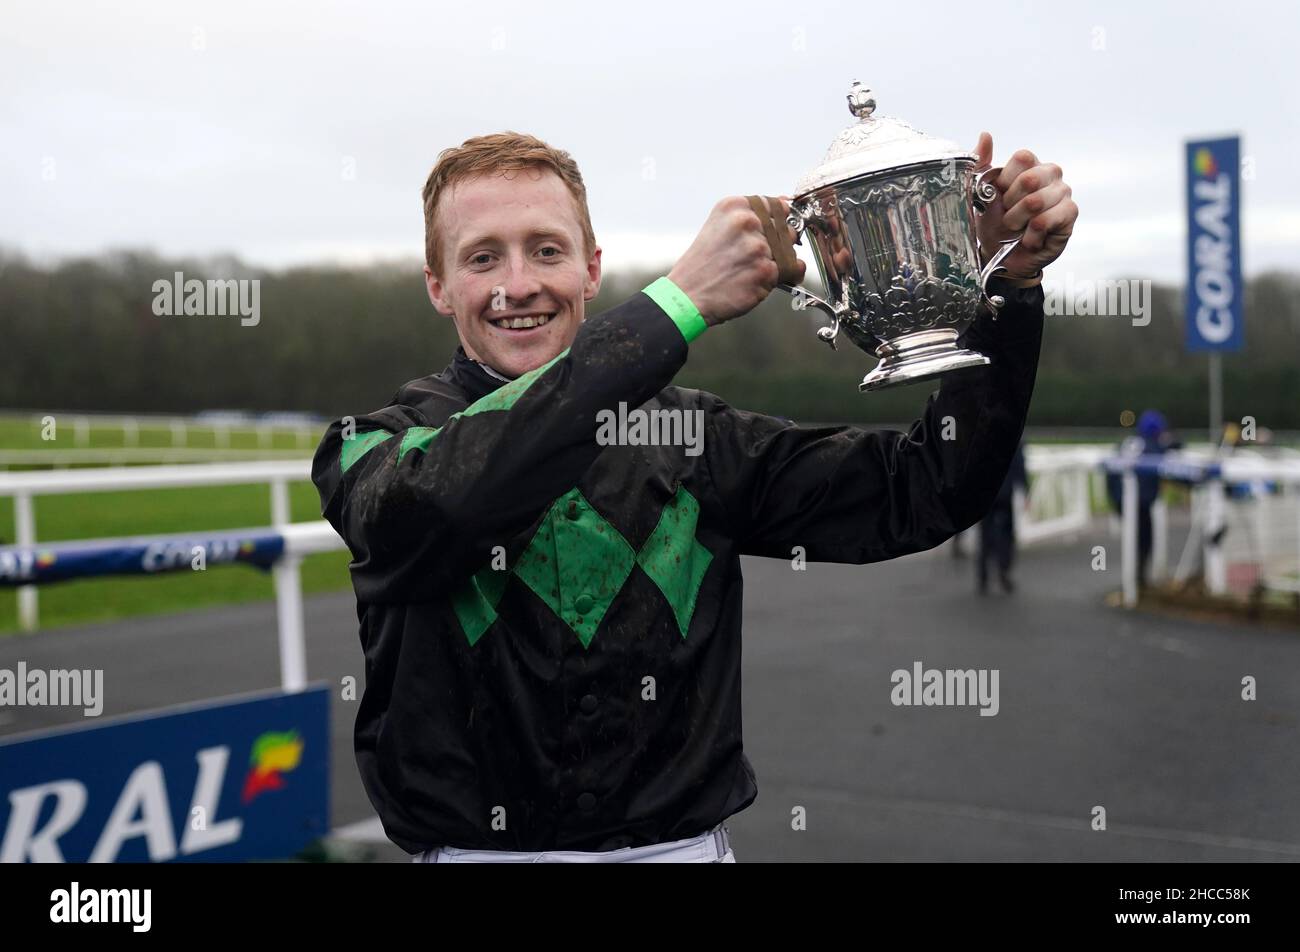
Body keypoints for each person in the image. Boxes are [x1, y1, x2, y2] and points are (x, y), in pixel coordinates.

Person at [311, 130, 1076, 862]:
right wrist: (679, 303)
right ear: (438, 287)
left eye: (547, 250)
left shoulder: (694, 436)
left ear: (589, 268)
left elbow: (927, 488)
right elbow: (439, 507)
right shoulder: (370, 445)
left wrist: (1004, 289)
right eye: (484, 258)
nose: (519, 285)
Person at [977, 442, 1027, 594]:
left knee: (986, 535)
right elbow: (1019, 465)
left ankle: (983, 575)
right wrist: (1025, 490)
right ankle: (1003, 571)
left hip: (985, 494)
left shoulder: (981, 433)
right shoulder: (1014, 433)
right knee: (1005, 534)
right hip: (1004, 493)